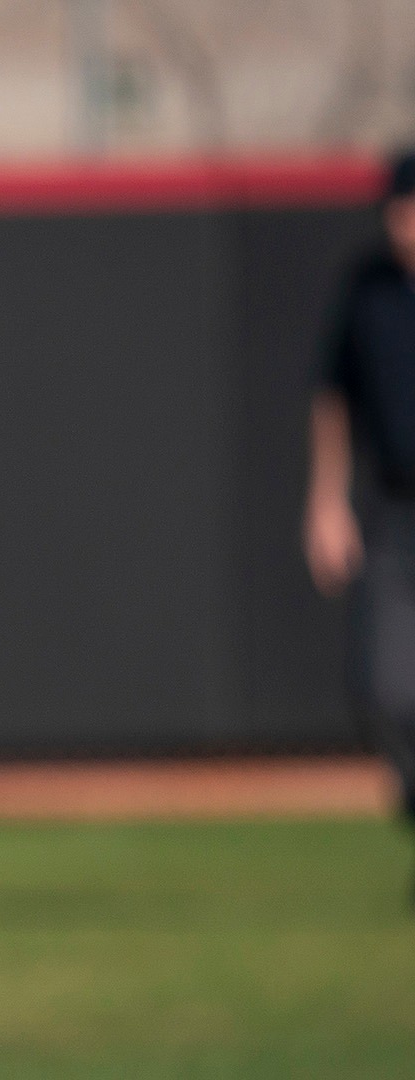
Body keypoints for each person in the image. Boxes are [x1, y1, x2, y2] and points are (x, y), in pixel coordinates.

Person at [305, 149, 415, 825]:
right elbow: (331, 395)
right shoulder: (368, 288)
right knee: (381, 687)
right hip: (395, 508)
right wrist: (325, 501)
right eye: (402, 211)